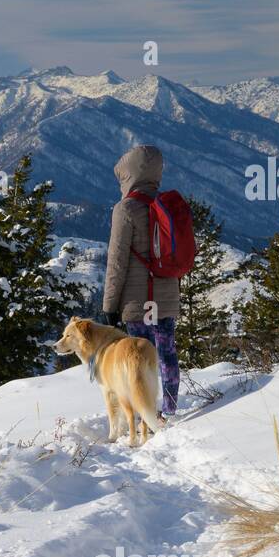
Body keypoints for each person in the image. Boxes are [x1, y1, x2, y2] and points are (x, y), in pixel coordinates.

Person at [100, 145, 179, 419]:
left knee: (137, 360)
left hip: (138, 300)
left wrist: (110, 304)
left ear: (129, 174)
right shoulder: (167, 205)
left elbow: (117, 262)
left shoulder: (125, 209)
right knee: (166, 352)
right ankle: (169, 408)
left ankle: (144, 414)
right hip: (166, 295)